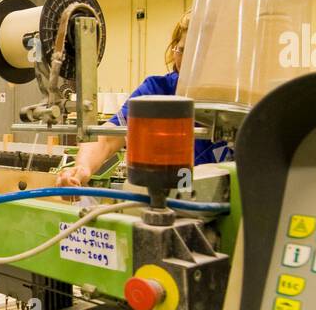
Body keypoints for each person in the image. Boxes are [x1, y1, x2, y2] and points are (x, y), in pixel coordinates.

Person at [57, 10, 230, 188]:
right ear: (173, 49)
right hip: (170, 201)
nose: (189, 61)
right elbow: (108, 137)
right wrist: (82, 168)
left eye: (200, 52)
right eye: (182, 50)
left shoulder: (237, 100)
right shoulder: (158, 91)